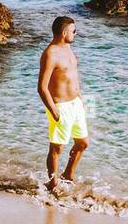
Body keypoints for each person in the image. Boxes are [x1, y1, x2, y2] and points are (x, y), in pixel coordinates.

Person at [37, 15, 89, 193]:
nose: (76, 33)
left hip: (76, 104)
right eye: (74, 31)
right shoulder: (50, 54)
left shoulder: (68, 48)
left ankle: (68, 175)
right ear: (64, 32)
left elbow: (72, 75)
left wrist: (80, 99)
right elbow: (42, 87)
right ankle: (52, 183)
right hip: (61, 106)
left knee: (83, 143)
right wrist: (54, 111)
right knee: (57, 147)